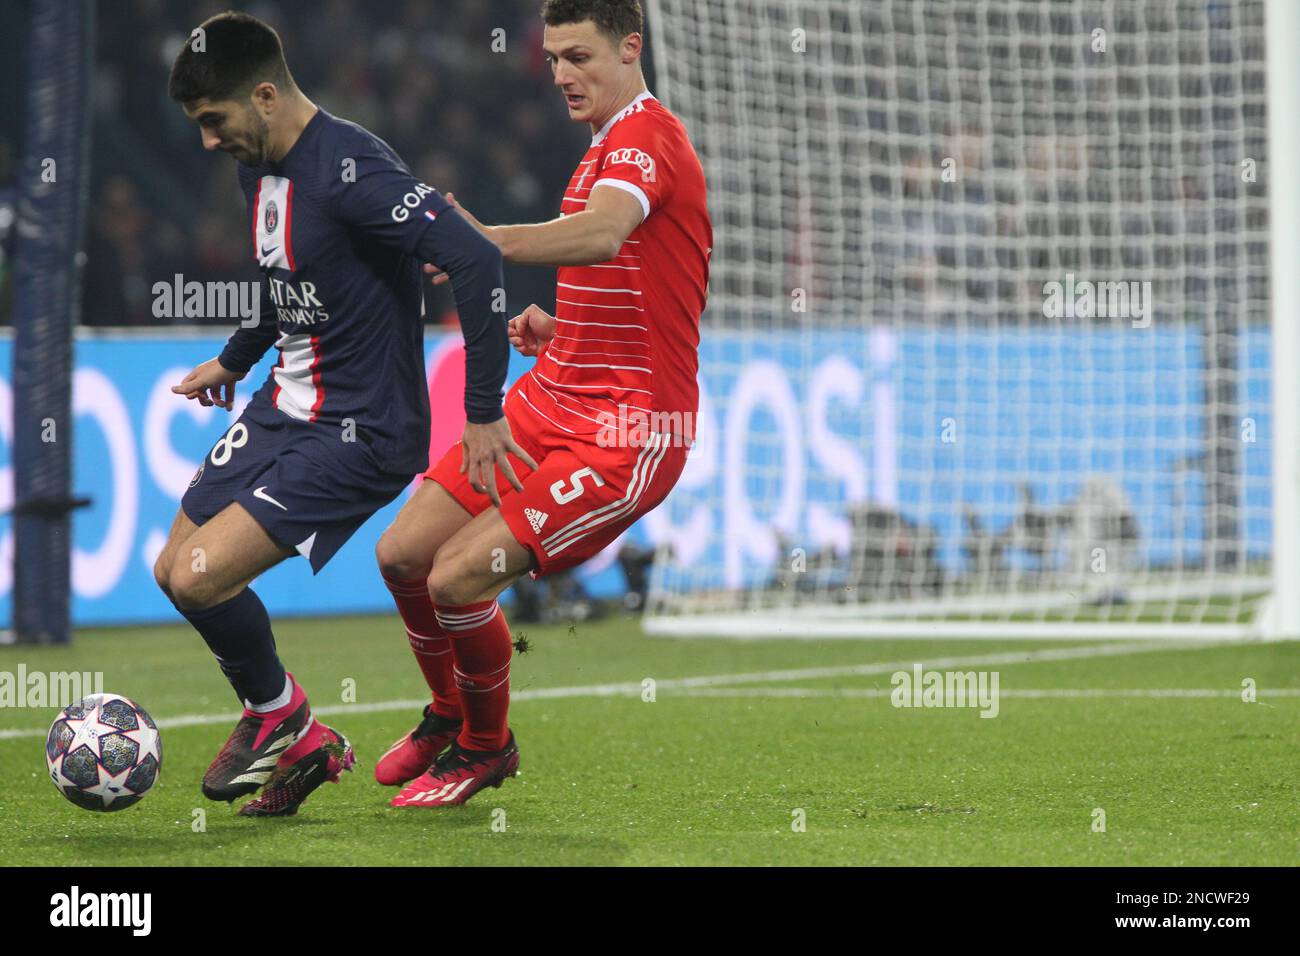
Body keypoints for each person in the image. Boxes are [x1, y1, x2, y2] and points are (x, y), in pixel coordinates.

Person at [156, 11, 529, 816]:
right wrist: (235, 357)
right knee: (172, 574)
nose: (209, 143)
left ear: (263, 96)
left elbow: (476, 255)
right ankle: (303, 739)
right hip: (284, 403)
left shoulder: (352, 169)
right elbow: (279, 272)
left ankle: (281, 718)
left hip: (362, 428)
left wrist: (482, 410)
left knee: (200, 575)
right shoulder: (257, 163)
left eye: (213, 122)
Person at [374, 0, 712, 808]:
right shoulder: (603, 148)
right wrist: (561, 327)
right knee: (402, 557)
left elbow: (601, 236)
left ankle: (488, 747)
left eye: (579, 56)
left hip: (625, 435)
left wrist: (482, 240)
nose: (561, 74)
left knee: (458, 579)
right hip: (552, 396)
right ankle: (450, 712)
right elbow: (635, 276)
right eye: (553, 57)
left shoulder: (645, 139)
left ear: (631, 49)